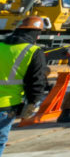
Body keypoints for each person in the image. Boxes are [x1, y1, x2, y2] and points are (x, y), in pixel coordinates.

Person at [0, 16, 49, 153]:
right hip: (6, 105)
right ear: (36, 34)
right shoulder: (33, 52)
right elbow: (36, 82)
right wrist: (33, 103)